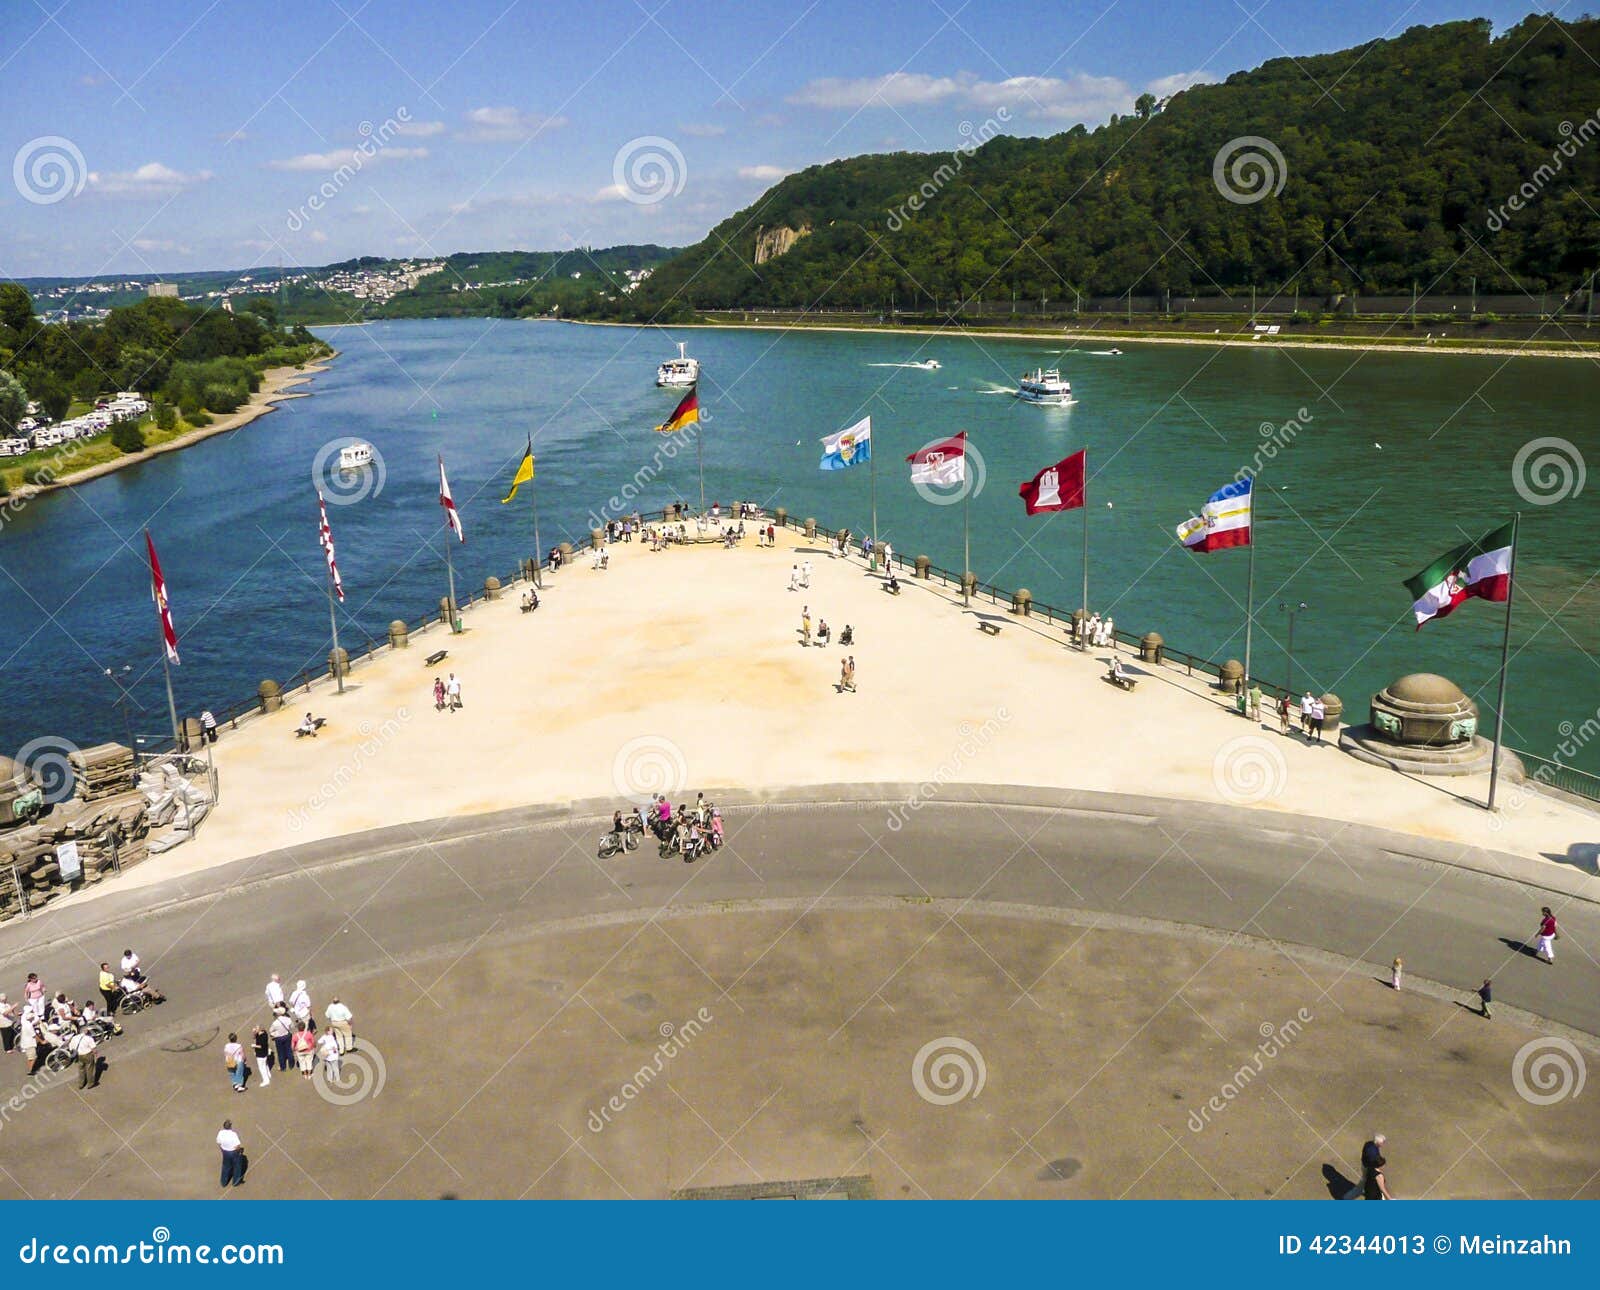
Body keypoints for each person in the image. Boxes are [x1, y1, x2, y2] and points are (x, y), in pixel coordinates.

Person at [1360, 1134, 1391, 1199]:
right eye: (1382, 1143)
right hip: (1367, 1167)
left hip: (1368, 1167)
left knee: (1368, 1181)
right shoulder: (1372, 1152)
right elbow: (1382, 1188)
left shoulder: (1370, 1144)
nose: (1383, 1144)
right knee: (1369, 1181)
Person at [217, 1120, 245, 1189]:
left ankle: (223, 1182)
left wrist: (222, 1149)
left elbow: (219, 1142)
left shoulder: (220, 1133)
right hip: (233, 1152)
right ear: (230, 1126)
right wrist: (239, 1151)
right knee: (237, 1166)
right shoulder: (233, 1134)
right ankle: (235, 1182)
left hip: (225, 1152)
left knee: (226, 1166)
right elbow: (237, 1145)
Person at [269, 1009, 294, 1074]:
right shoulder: (287, 1019)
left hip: (279, 1038)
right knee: (289, 1050)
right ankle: (291, 1065)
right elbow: (292, 1026)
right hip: (287, 1036)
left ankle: (283, 1067)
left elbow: (271, 1031)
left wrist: (276, 1034)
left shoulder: (275, 1023)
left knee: (280, 1053)